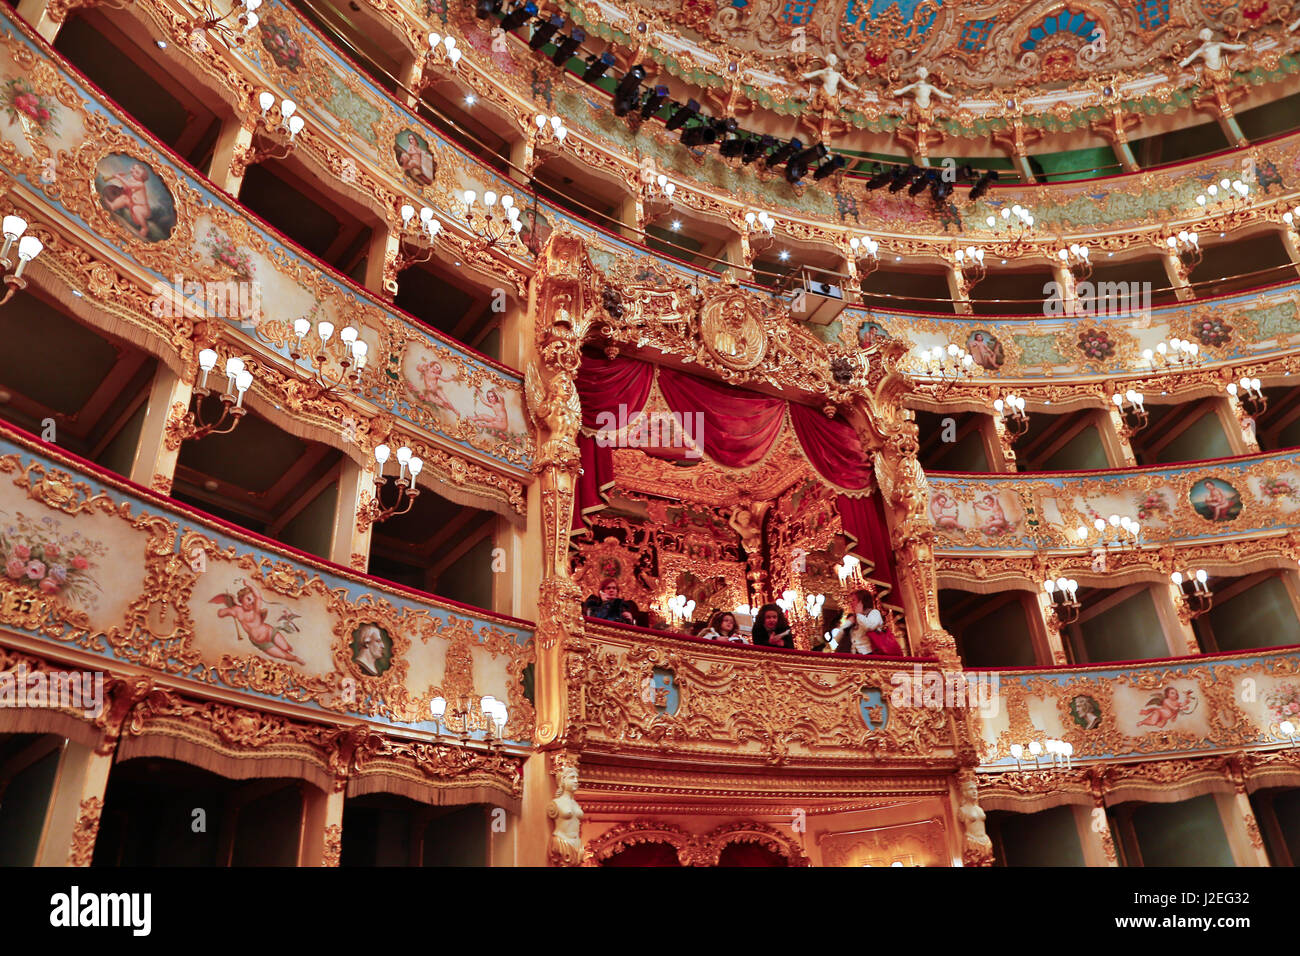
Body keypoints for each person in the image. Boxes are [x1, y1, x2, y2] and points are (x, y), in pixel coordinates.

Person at [828, 590, 902, 656]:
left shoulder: (874, 613)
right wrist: (848, 623)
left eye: (854, 600)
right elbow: (837, 639)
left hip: (870, 654)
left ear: (862, 601)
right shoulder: (853, 618)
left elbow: (870, 626)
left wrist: (859, 615)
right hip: (854, 655)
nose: (851, 603)